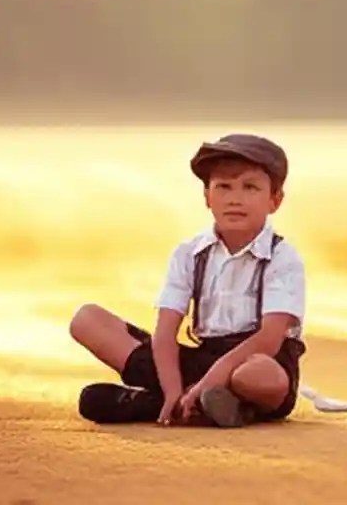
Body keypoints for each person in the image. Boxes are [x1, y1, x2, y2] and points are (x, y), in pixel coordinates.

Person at [68, 133, 307, 428]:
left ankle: (157, 402)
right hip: (201, 357)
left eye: (250, 187)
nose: (234, 198)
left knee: (257, 376)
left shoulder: (282, 257)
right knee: (86, 319)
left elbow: (269, 339)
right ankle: (188, 403)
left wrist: (212, 378)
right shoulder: (189, 254)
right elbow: (166, 331)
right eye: (223, 187)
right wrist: (171, 388)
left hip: (254, 362)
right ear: (207, 197)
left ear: (275, 200)